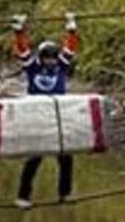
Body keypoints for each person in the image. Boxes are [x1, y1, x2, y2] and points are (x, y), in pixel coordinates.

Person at [12, 14, 80, 209]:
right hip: (38, 118)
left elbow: (70, 48)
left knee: (66, 158)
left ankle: (65, 194)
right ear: (41, 58)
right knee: (34, 159)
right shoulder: (33, 68)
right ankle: (23, 197)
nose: (50, 62)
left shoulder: (61, 67)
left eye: (52, 58)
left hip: (58, 117)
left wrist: (71, 28)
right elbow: (23, 50)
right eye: (46, 58)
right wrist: (19, 31)